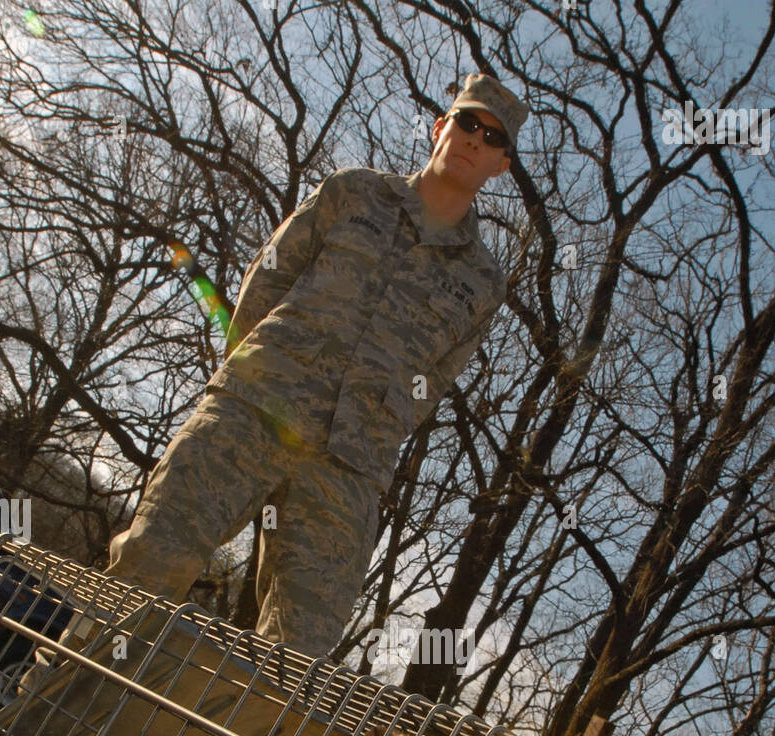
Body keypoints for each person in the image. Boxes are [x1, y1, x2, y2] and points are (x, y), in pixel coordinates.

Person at [104, 73, 528, 657]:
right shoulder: (353, 192)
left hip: (350, 467)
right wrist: (251, 371)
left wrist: (381, 425)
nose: (475, 138)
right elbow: (268, 276)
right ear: (440, 128)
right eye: (467, 121)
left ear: (501, 165)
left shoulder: (483, 282)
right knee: (150, 560)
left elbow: (437, 379)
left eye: (493, 135)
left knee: (296, 656)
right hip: (256, 408)